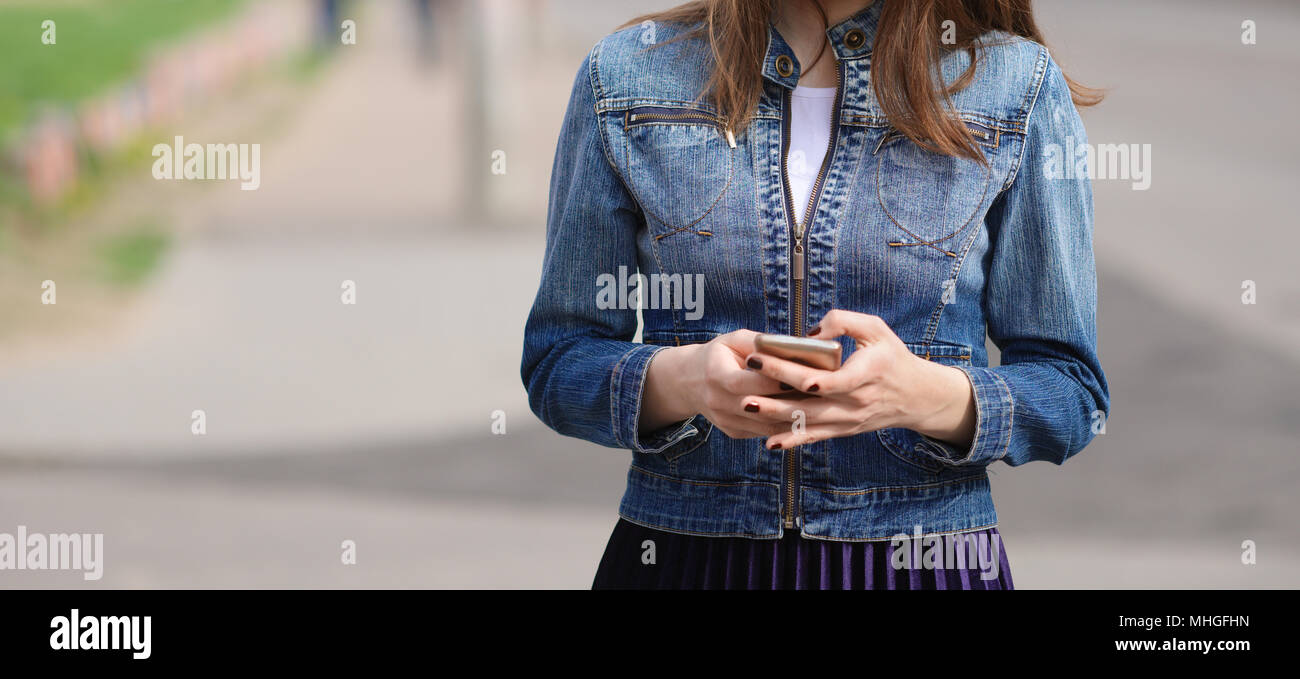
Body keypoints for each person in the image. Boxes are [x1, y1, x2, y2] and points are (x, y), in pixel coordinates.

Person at [521, 0, 1109, 589]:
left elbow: (1071, 391)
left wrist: (922, 395)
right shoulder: (628, 75)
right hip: (683, 556)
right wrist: (688, 380)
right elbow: (559, 360)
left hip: (925, 562)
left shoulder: (1015, 85)